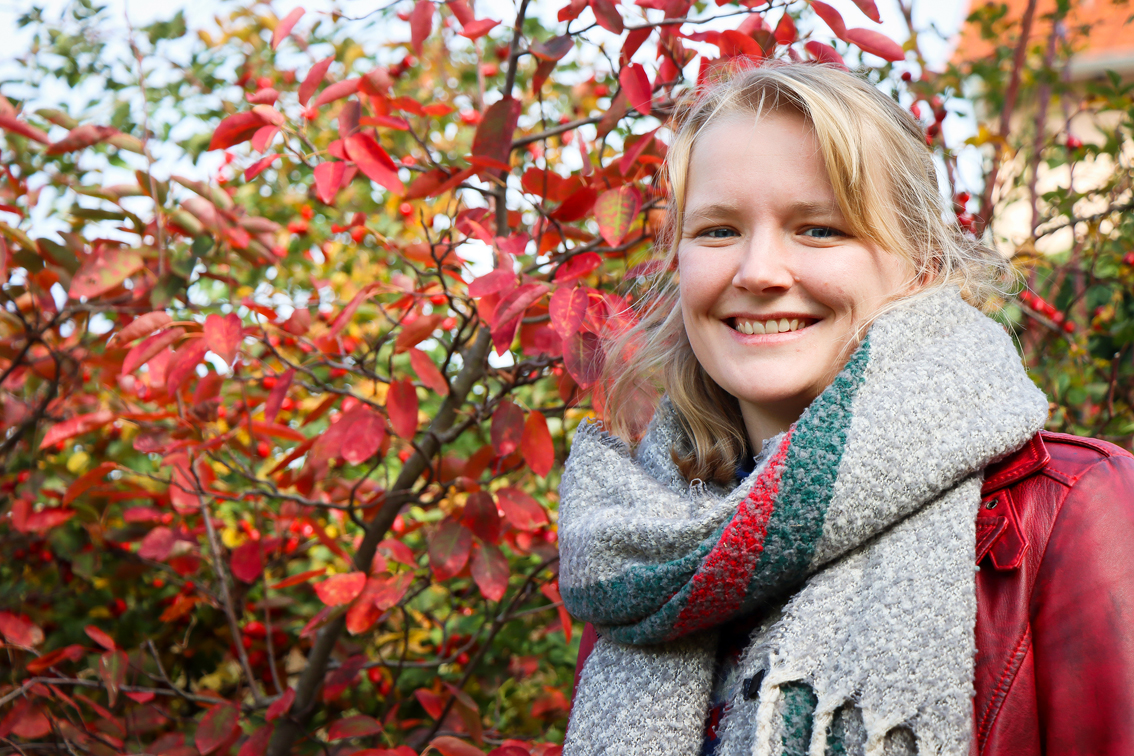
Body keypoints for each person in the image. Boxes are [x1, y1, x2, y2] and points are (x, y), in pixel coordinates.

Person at [556, 62, 1134, 756]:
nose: (759, 272)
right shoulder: (640, 551)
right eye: (716, 231)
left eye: (820, 230)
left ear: (919, 265)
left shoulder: (1067, 510)